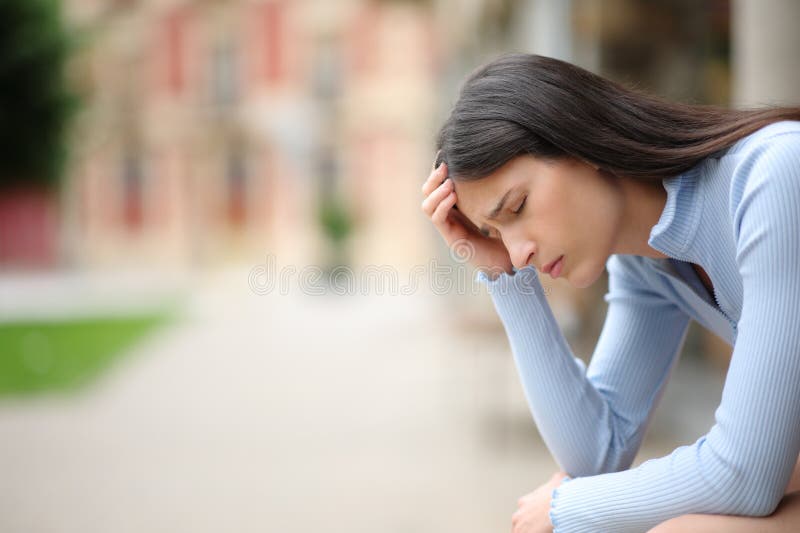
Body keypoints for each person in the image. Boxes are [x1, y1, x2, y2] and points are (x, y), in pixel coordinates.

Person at [420, 53, 800, 532]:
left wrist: (564, 508)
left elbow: (745, 475)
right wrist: (504, 280)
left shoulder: (775, 177)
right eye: (495, 234)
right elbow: (597, 454)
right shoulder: (648, 264)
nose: (518, 253)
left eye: (517, 207)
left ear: (580, 144)